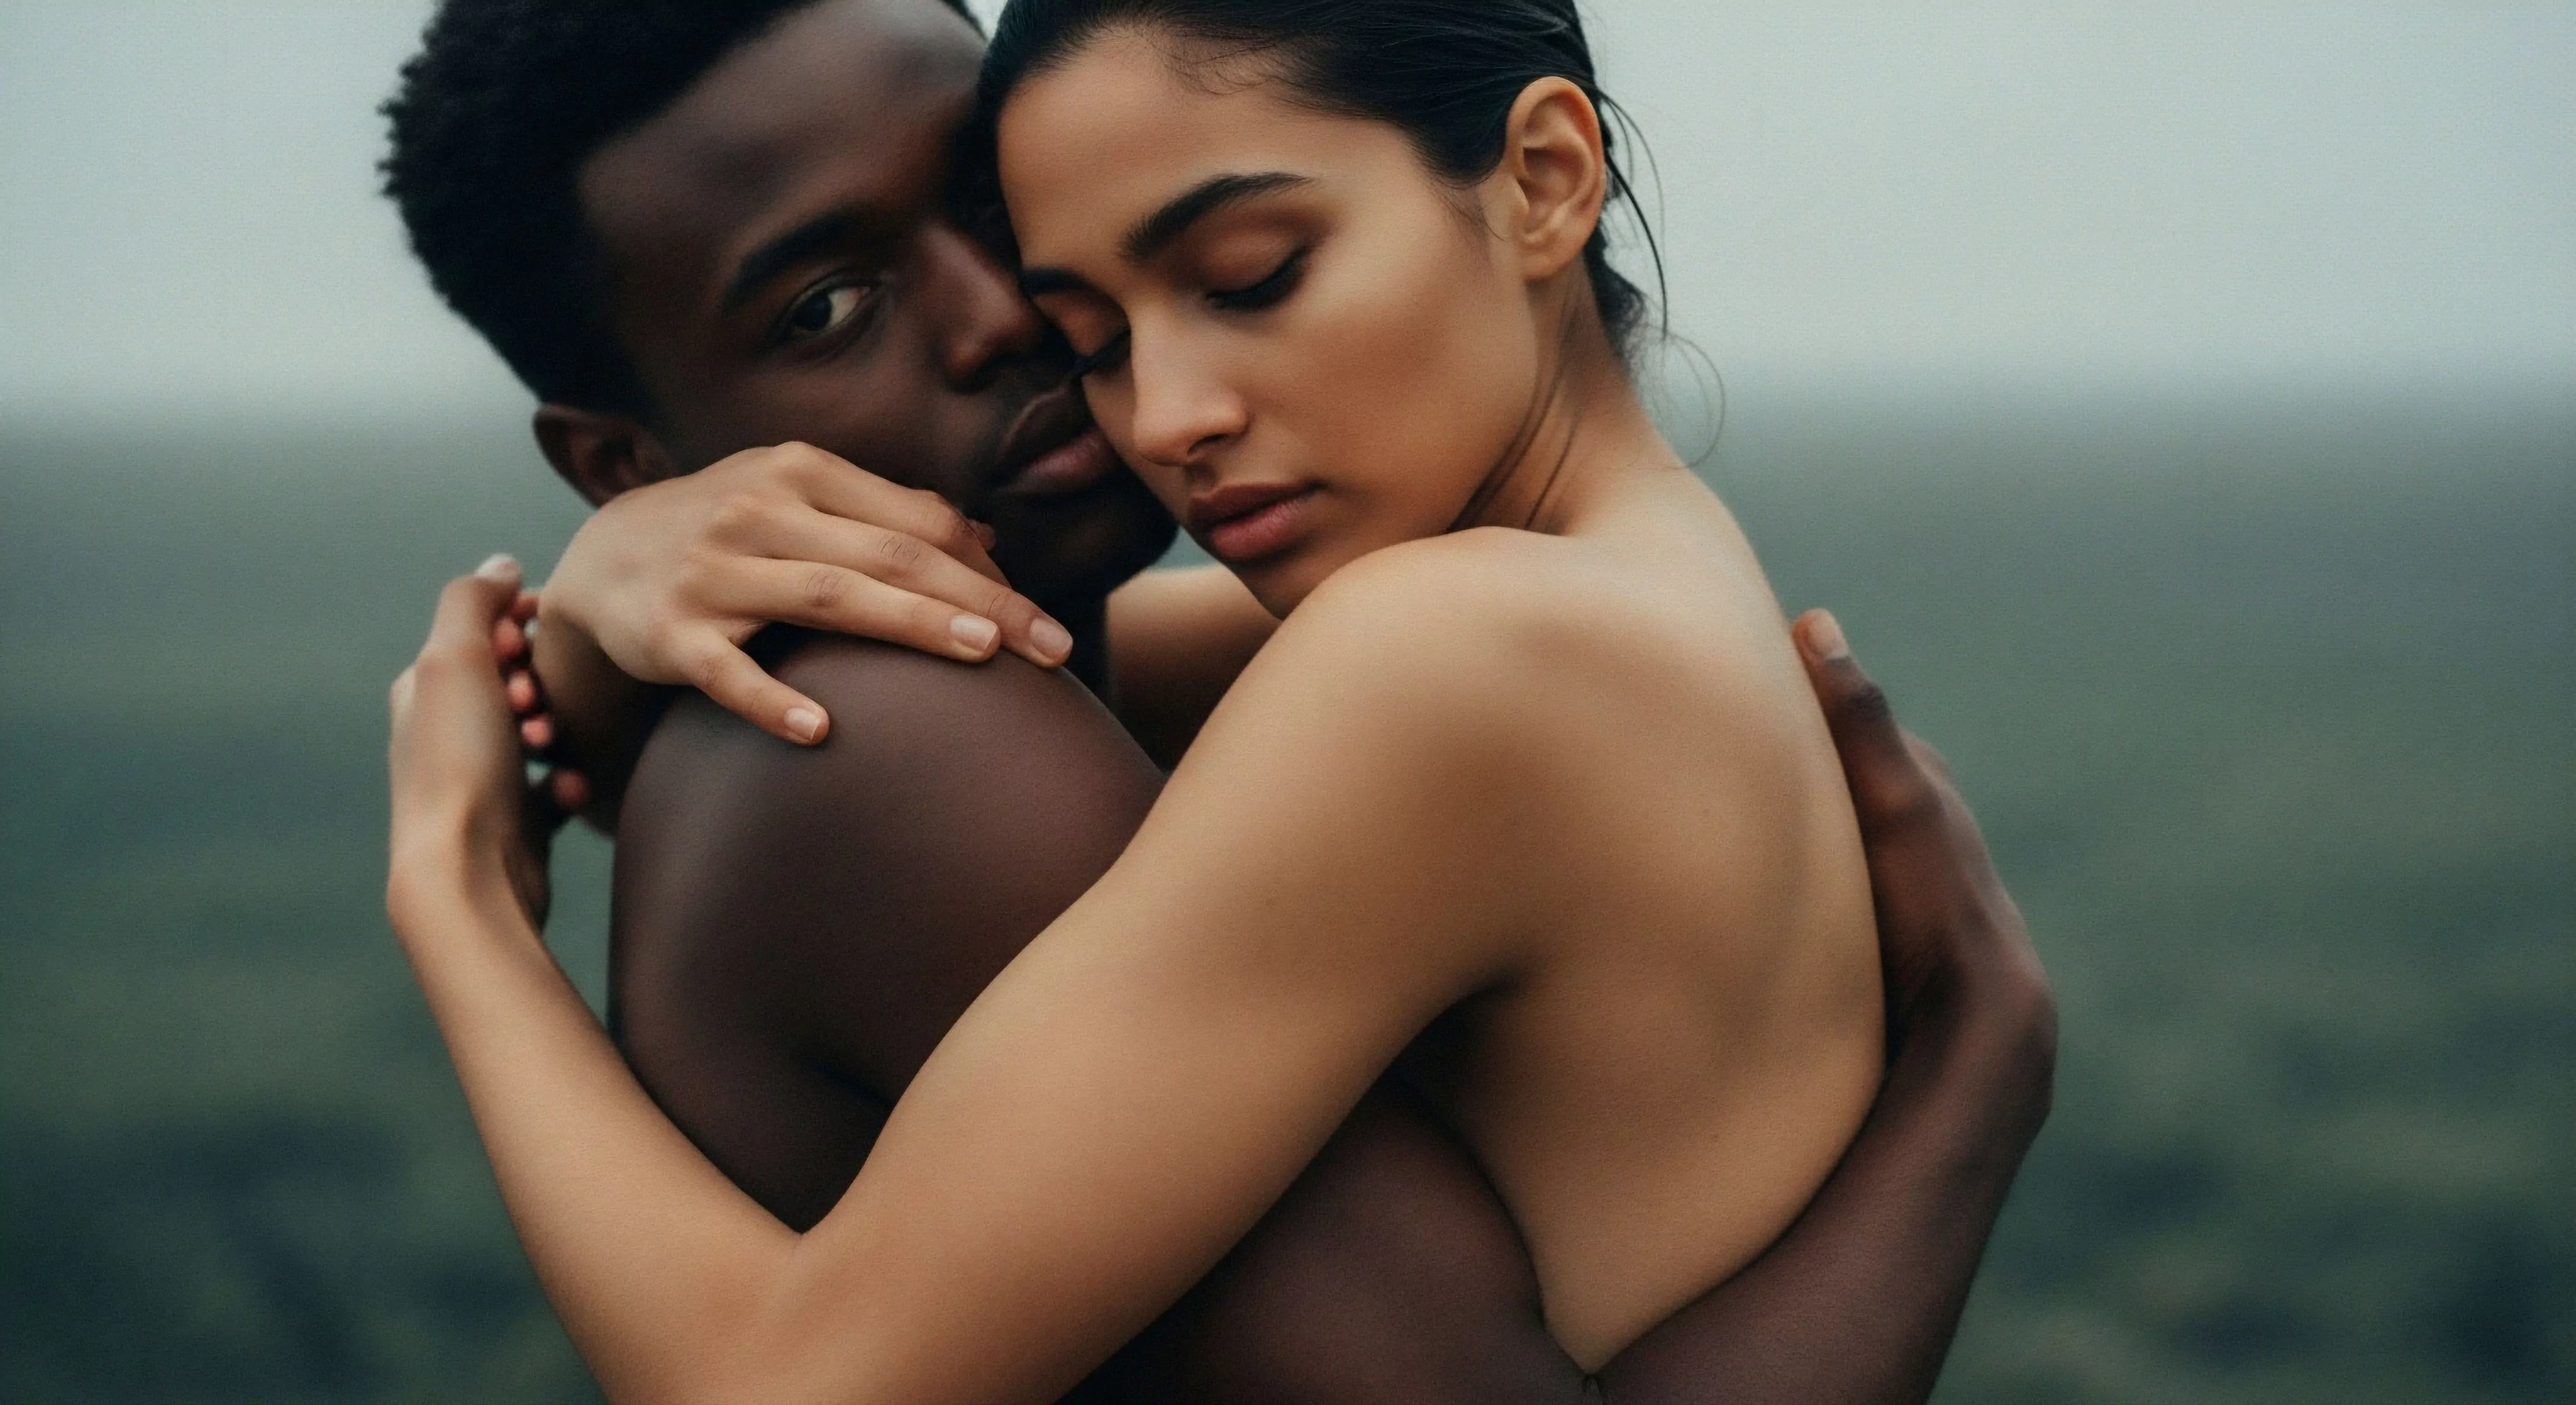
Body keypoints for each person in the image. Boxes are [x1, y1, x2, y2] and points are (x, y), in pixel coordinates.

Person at [382, 1, 2053, 1400]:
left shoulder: (1431, 662)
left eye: (1248, 274)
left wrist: (460, 898)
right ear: (624, 460)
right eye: (1096, 312)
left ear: (1544, 179)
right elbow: (1107, 662)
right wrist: (601, 617)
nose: (1148, 401)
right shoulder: (1650, 598)